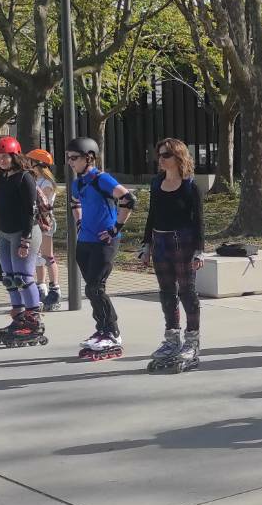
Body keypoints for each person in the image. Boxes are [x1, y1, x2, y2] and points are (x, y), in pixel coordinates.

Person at [138, 138, 205, 371]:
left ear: (178, 157)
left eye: (166, 155)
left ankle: (192, 341)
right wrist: (146, 244)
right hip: (161, 241)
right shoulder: (156, 183)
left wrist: (200, 251)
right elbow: (152, 214)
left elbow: (199, 221)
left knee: (187, 291)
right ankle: (171, 338)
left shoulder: (190, 186)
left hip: (183, 241)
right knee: (167, 292)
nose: (161, 159)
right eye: (159, 155)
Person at [67, 136, 136, 360]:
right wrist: (79, 222)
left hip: (104, 242)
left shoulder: (102, 179)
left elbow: (128, 199)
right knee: (92, 289)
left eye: (74, 158)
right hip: (85, 241)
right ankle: (102, 329)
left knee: (96, 287)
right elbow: (75, 202)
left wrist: (116, 228)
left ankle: (112, 332)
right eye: (68, 158)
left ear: (89, 157)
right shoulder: (78, 182)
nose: (70, 162)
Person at [0, 136, 45, 347]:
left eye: (6, 156)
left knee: (23, 277)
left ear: (15, 156)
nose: (2, 160)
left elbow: (30, 211)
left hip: (25, 232)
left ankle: (34, 321)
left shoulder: (24, 178)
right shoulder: (0, 179)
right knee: (9, 278)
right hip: (5, 233)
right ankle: (19, 318)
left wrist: (25, 240)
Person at [27, 148, 60, 309]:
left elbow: (43, 203)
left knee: (48, 256)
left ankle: (55, 289)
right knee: (38, 256)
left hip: (45, 221)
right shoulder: (34, 180)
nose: (27, 164)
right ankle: (41, 287)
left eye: (30, 161)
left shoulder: (46, 183)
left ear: (37, 164)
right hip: (35, 222)